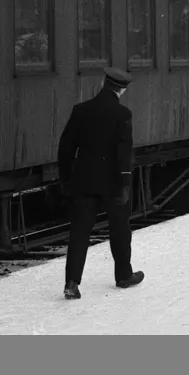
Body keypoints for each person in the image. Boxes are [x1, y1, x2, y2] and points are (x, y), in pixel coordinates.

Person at [58, 67, 144, 299]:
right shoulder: (122, 114)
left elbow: (65, 149)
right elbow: (124, 153)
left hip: (84, 181)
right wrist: (125, 183)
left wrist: (65, 179)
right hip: (113, 182)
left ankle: (72, 283)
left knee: (79, 233)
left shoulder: (80, 111)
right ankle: (124, 276)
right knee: (120, 230)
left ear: (104, 84)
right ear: (122, 89)